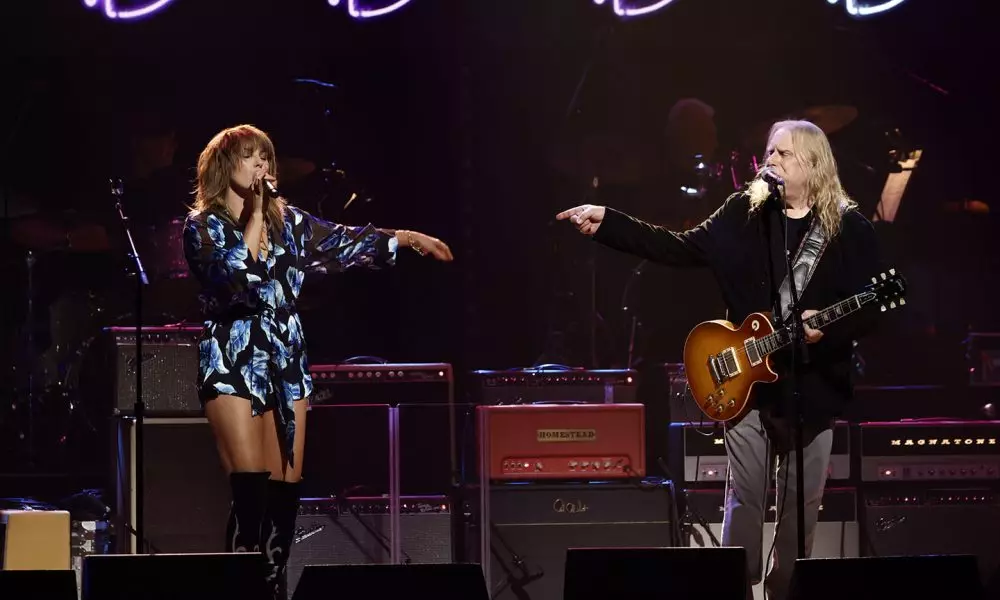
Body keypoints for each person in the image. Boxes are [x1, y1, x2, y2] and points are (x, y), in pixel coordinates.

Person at [557, 120, 881, 600]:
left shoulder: (849, 227)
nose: (770, 161)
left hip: (812, 387)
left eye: (783, 154)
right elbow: (678, 247)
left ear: (813, 163)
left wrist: (827, 328)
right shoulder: (744, 213)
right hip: (746, 383)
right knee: (744, 498)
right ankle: (733, 591)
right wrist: (610, 222)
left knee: (800, 509)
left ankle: (787, 592)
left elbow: (870, 305)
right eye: (769, 152)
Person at [183, 124, 453, 599]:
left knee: (285, 491)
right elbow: (237, 280)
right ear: (226, 165)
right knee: (251, 490)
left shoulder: (290, 223)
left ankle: (273, 590)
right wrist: (255, 218)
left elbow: (347, 242)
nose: (262, 166)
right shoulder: (202, 227)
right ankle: (241, 588)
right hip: (233, 355)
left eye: (266, 157)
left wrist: (410, 238)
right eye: (251, 157)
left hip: (286, 358)